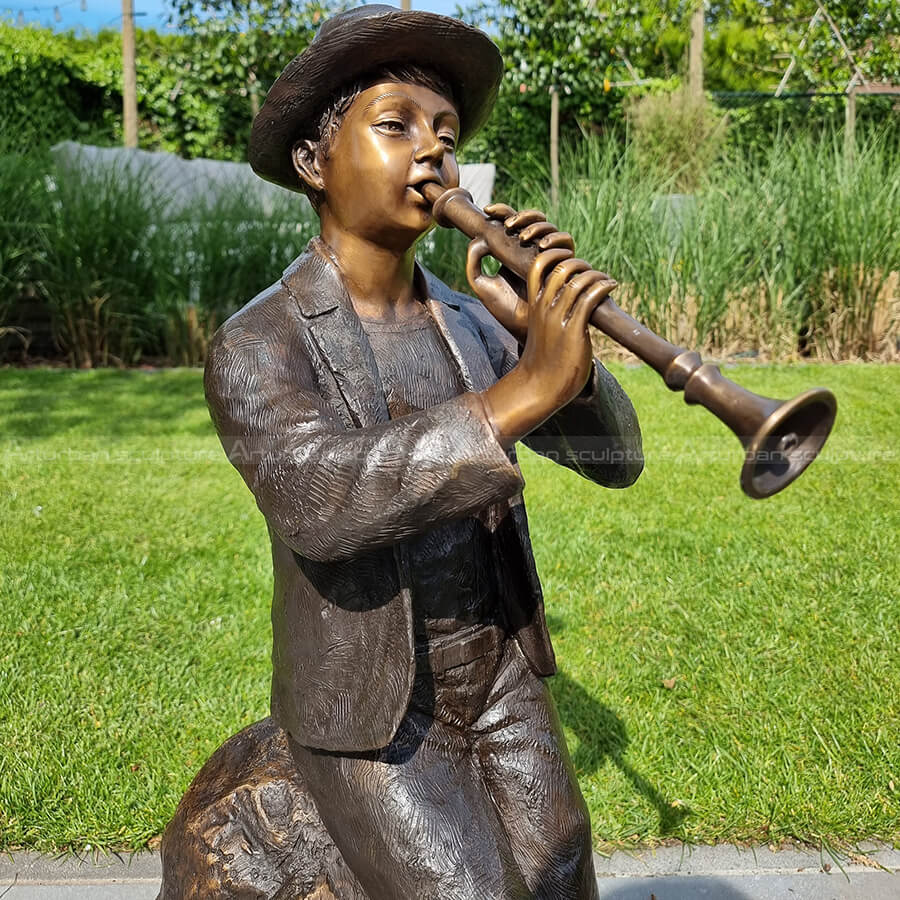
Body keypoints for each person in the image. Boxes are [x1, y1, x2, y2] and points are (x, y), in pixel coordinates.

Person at [204, 6, 643, 898]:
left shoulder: (469, 314)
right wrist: (515, 397)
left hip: (499, 670)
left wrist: (557, 353)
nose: (432, 153)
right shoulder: (262, 341)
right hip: (373, 706)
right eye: (396, 124)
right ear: (313, 162)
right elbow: (320, 502)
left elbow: (615, 462)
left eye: (445, 134)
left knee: (560, 872)